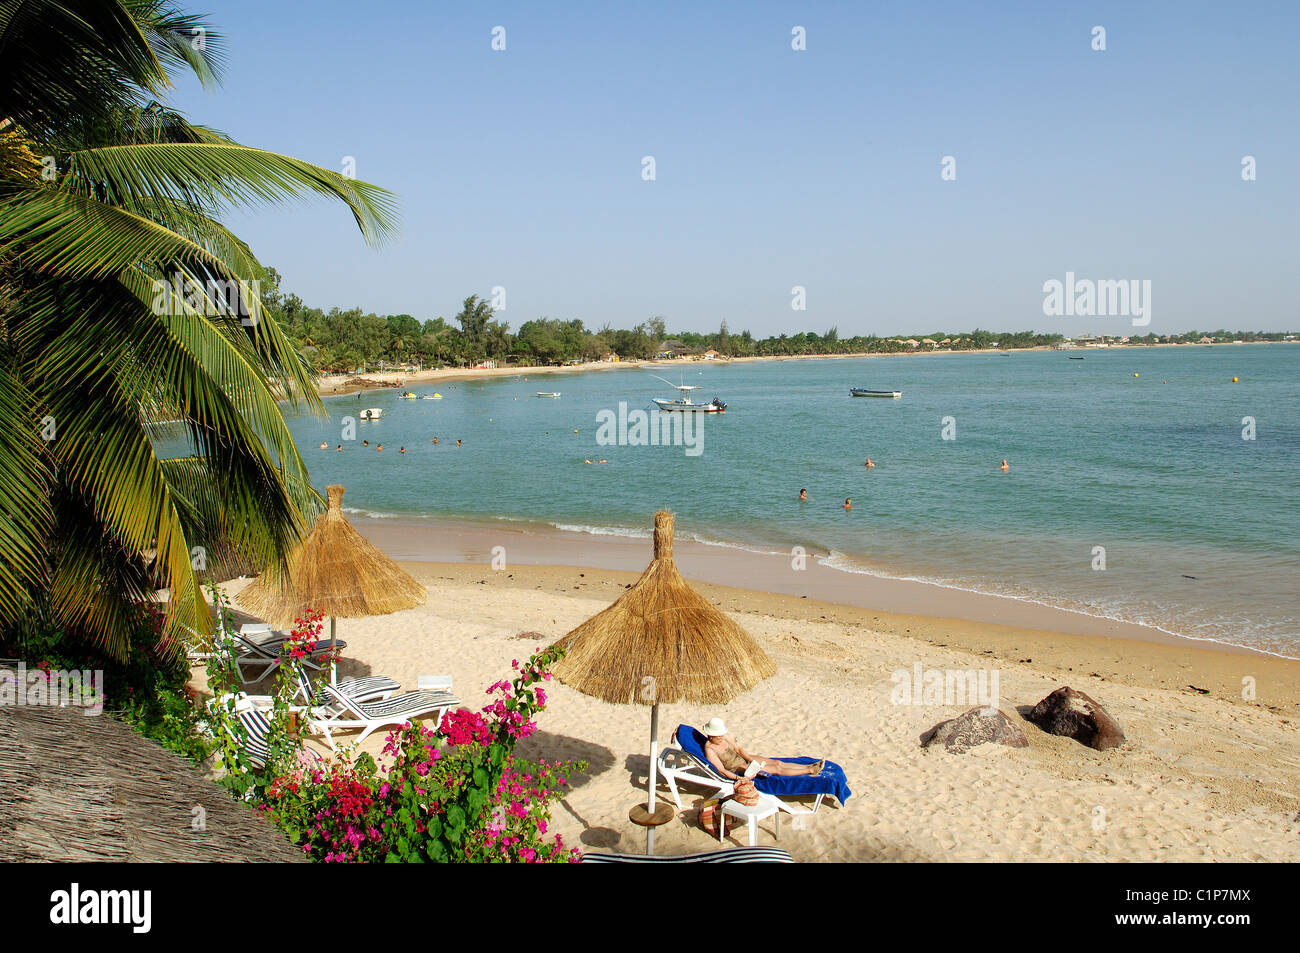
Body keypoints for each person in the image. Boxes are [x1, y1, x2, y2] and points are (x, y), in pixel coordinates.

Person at [701, 718, 823, 779]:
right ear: (711, 735)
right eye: (719, 735)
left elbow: (738, 749)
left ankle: (809, 766)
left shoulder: (723, 736)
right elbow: (722, 770)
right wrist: (741, 778)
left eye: (722, 734)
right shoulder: (710, 750)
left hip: (743, 759)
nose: (722, 737)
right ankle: (810, 771)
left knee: (777, 762)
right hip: (738, 768)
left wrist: (749, 759)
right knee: (776, 768)